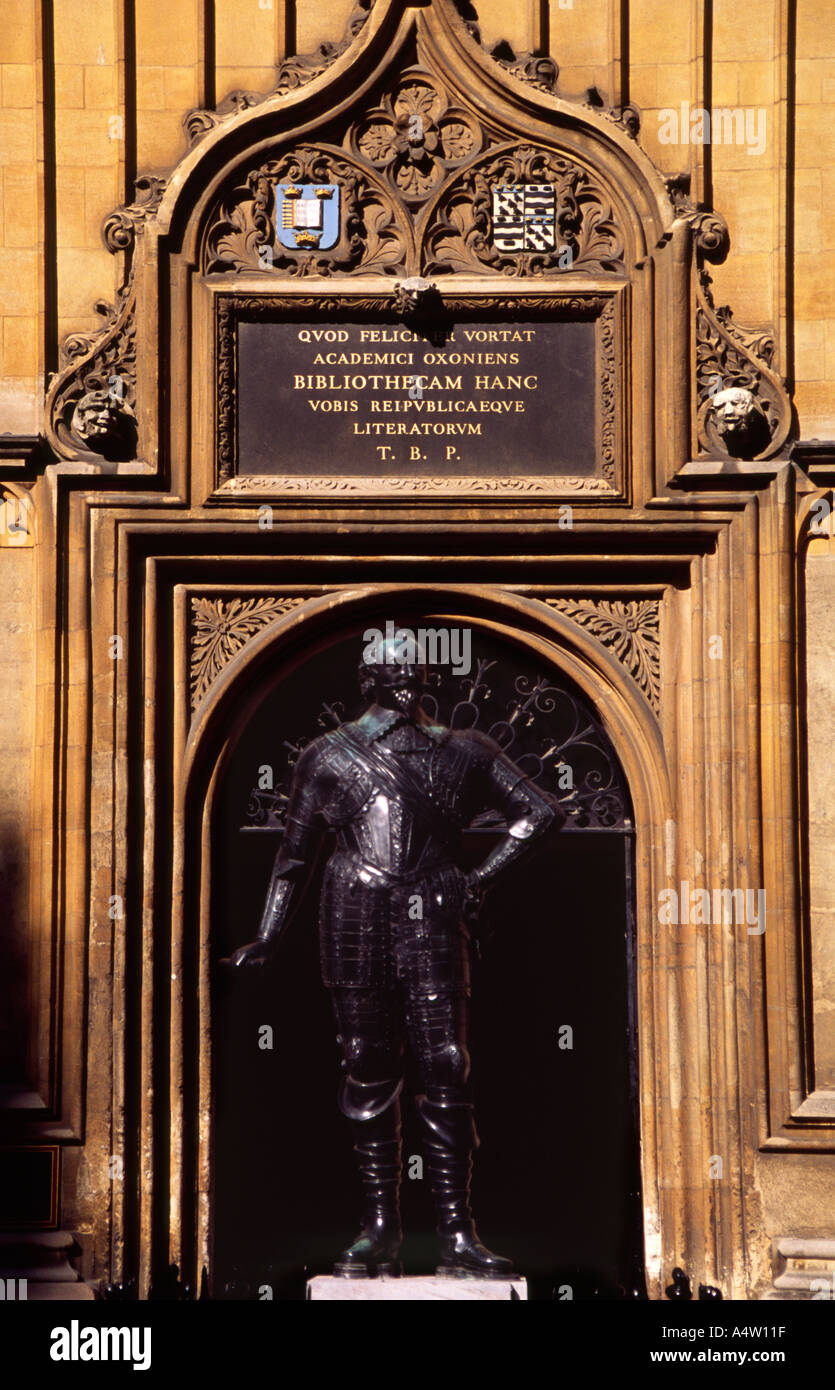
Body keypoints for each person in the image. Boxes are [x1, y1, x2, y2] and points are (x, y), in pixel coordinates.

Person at [224, 632, 563, 1278]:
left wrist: (478, 879)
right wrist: (268, 936)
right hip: (354, 910)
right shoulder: (327, 756)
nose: (410, 676)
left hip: (433, 909)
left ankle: (457, 1233)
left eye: (418, 666)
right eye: (395, 666)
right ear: (369, 677)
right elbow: (294, 858)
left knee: (446, 1061)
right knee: (366, 1062)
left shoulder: (466, 750)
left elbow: (539, 812)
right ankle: (379, 1226)